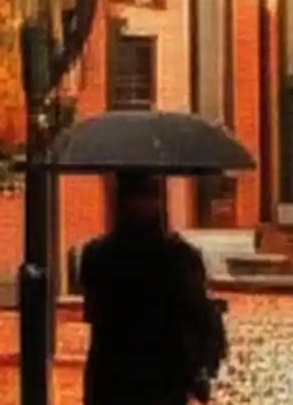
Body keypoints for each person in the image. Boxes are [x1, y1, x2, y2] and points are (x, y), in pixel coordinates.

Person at [80, 173, 227, 405]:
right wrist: (203, 366)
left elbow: (92, 312)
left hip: (114, 377)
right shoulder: (179, 257)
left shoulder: (97, 255)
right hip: (162, 376)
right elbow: (200, 315)